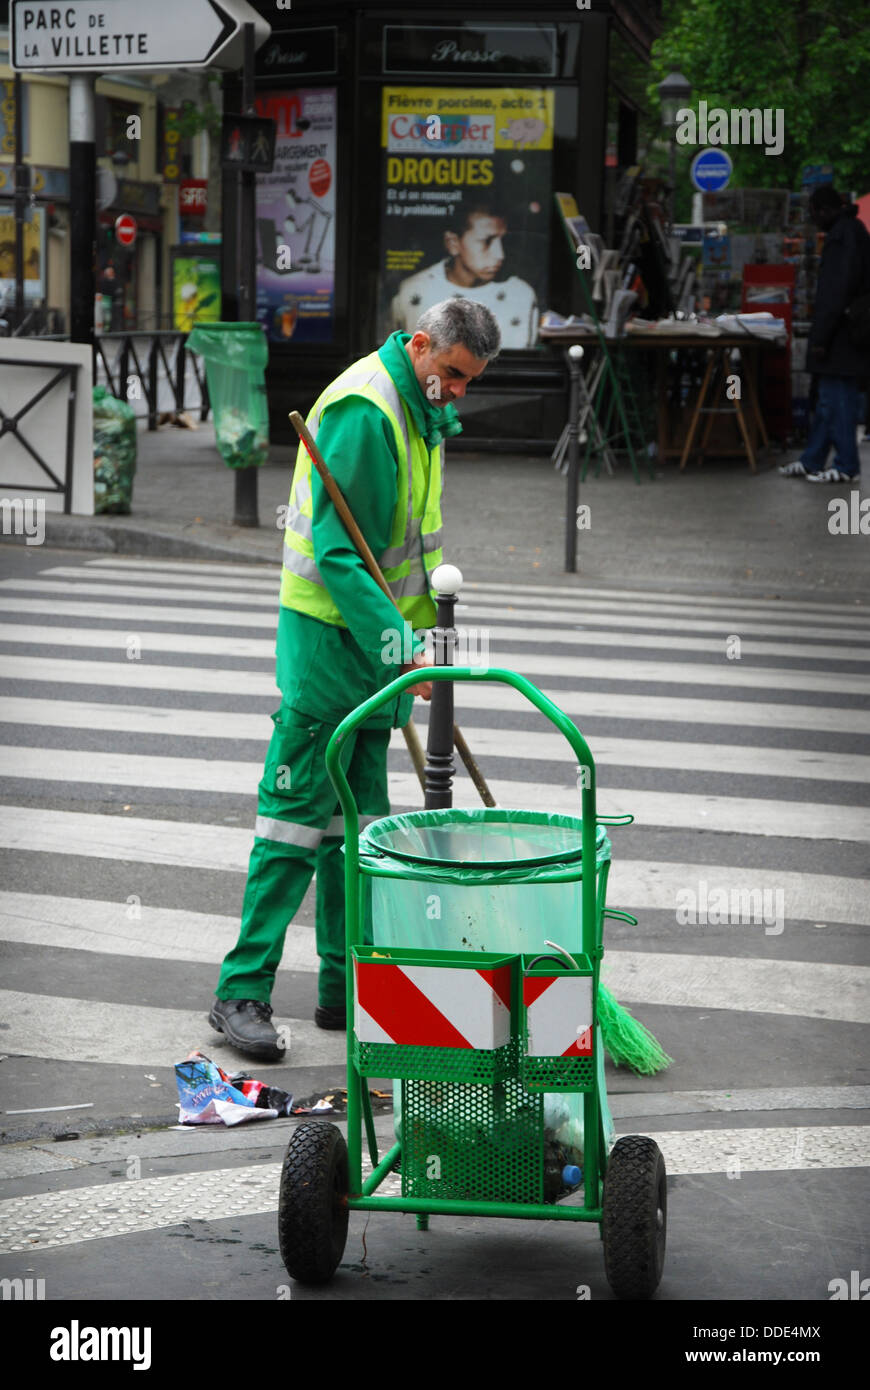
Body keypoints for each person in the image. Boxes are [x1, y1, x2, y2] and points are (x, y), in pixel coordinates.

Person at [208, 298, 501, 1060]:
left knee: (359, 829)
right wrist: (404, 648)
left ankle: (344, 987)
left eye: (471, 381)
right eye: (455, 374)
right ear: (420, 345)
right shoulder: (368, 410)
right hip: (329, 646)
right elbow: (339, 556)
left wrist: (417, 645)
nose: (459, 390)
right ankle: (241, 991)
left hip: (374, 649)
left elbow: (406, 552)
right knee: (294, 820)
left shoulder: (420, 411)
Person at [780, 185, 870, 482]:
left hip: (841, 334)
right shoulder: (851, 232)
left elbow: (835, 290)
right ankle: (813, 459)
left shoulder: (842, 237)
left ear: (823, 210)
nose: (814, 220)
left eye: (814, 213)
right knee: (828, 400)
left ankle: (846, 465)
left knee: (838, 398)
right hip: (846, 329)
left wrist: (820, 338)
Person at [390, 203, 538, 349]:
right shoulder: (414, 291)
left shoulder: (521, 295)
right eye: (487, 241)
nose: (500, 255)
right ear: (453, 243)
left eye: (504, 240)